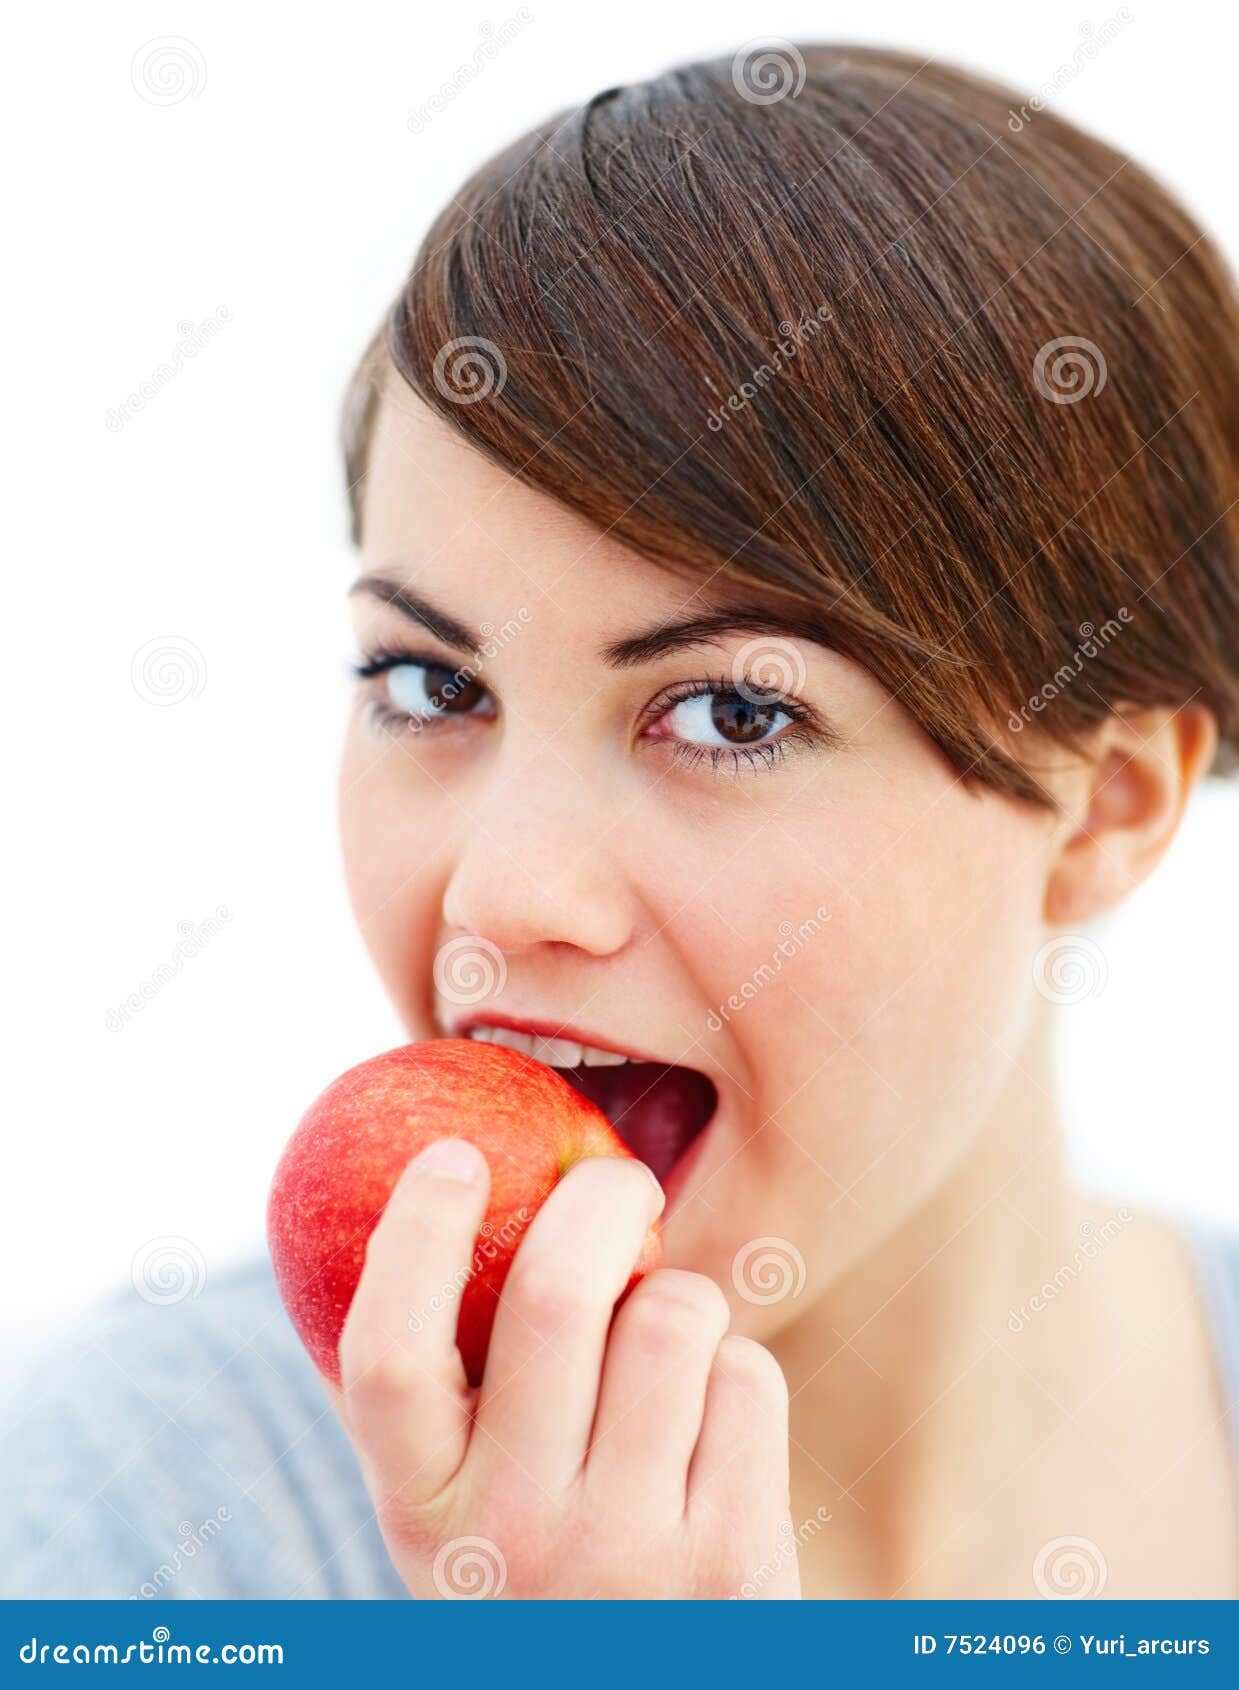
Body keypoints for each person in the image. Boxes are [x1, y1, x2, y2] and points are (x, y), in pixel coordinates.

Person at [6, 43, 1239, 1601]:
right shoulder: (157, 1515)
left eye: (732, 712)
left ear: (1105, 807)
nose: (500, 894)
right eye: (430, 682)